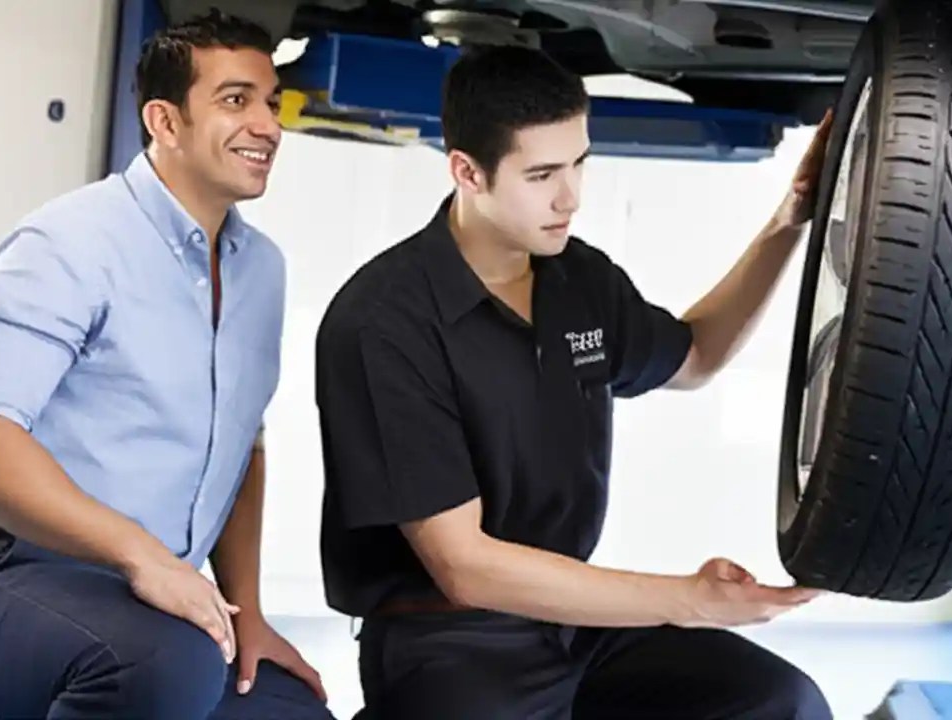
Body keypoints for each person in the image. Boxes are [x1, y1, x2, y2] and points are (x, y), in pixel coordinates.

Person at [315, 43, 836, 719]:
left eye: (579, 162)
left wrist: (789, 216)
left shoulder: (577, 277)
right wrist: (688, 598)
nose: (571, 197)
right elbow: (464, 566)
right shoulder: (384, 322)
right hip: (447, 641)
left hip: (574, 627)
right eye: (541, 175)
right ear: (467, 172)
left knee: (780, 703)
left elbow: (696, 355)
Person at [0, 11, 334, 720]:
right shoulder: (71, 240)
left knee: (287, 708)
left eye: (272, 103)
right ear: (165, 122)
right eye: (235, 100)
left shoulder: (261, 271)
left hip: (161, 599)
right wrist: (140, 555)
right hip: (15, 576)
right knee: (163, 667)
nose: (268, 126)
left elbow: (243, 449)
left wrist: (251, 614)